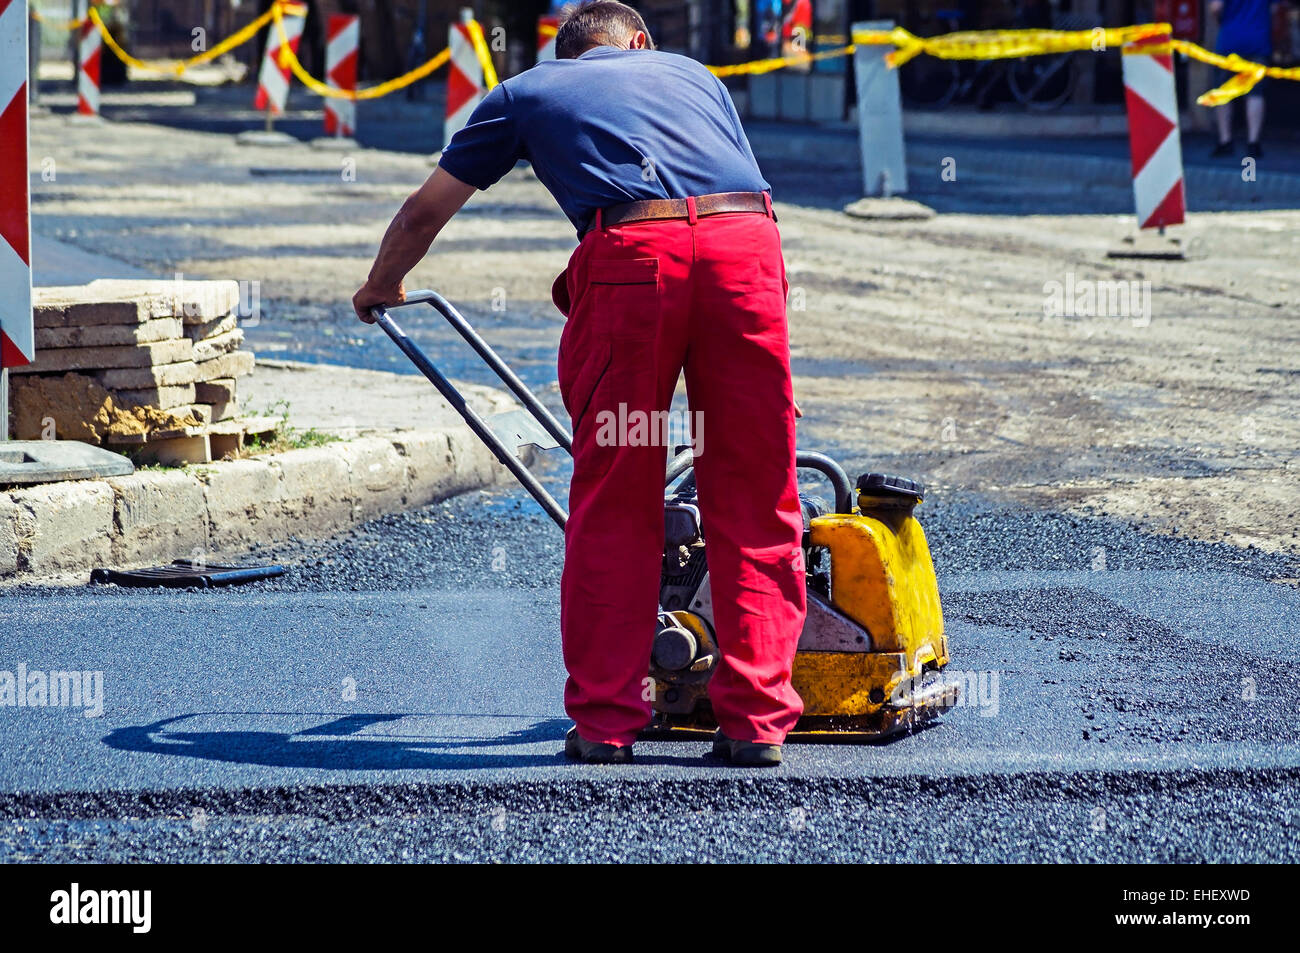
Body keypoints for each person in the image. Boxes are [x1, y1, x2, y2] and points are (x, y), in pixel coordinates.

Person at [352, 1, 805, 767]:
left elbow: (426, 210)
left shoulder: (529, 93)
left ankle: (605, 721)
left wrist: (380, 284)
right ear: (640, 43)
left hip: (635, 261)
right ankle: (757, 721)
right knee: (757, 483)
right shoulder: (695, 74)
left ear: (570, 59)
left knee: (618, 490)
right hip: (746, 250)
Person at [1209, 0, 1279, 158]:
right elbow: (1274, 9)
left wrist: (1222, 21)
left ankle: (1225, 141)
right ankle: (1253, 143)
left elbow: (1215, 7)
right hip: (1258, 40)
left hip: (1229, 40)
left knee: (1224, 94)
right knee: (1255, 93)